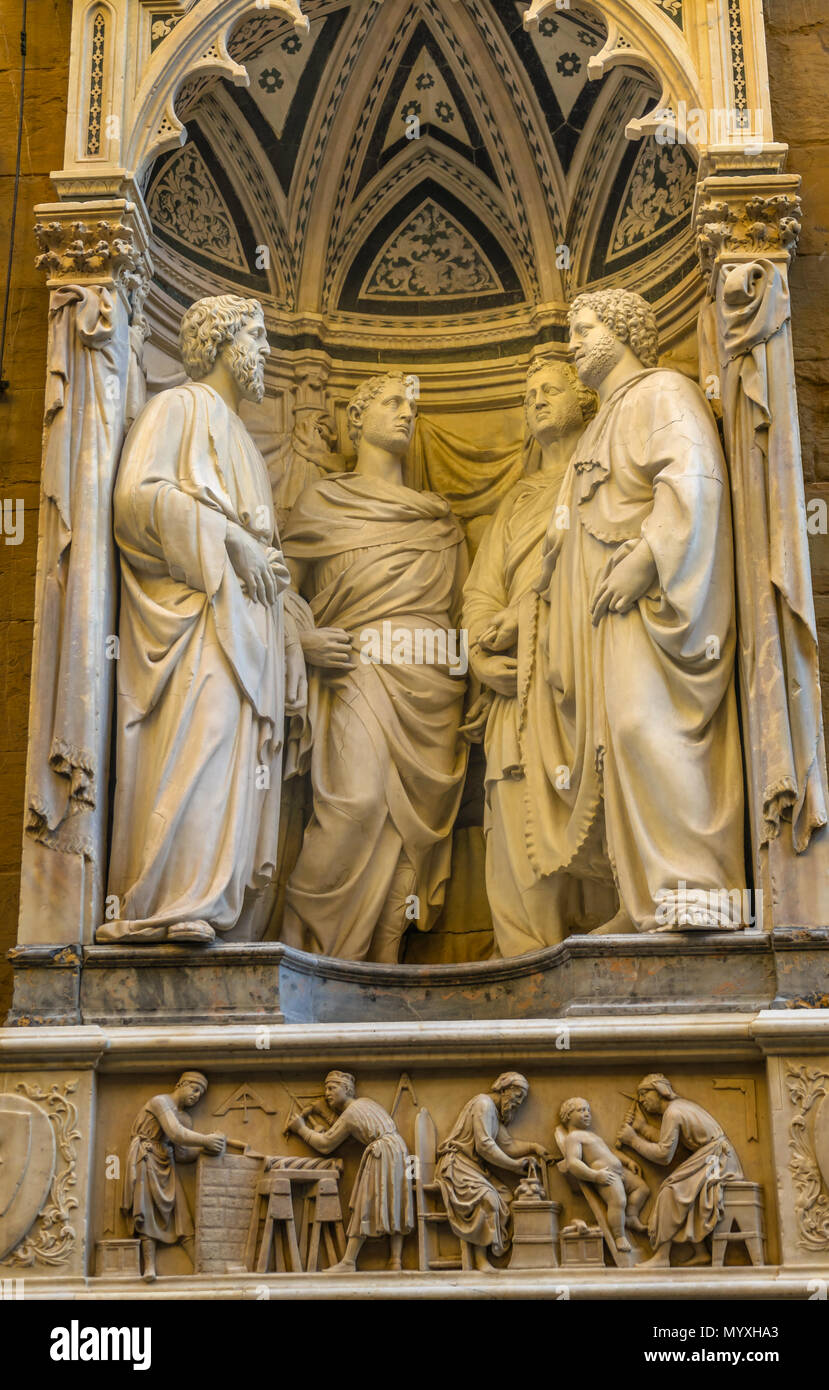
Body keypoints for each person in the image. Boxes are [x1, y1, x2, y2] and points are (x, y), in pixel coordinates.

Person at [532, 287, 746, 933]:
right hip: (605, 608)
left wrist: (649, 556)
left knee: (640, 726)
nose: (573, 343)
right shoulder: (599, 420)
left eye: (584, 327)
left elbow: (693, 479)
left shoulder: (662, 391)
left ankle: (694, 886)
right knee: (616, 742)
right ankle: (647, 896)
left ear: (622, 329)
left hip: (649, 600)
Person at [98, 294, 305, 945]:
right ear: (220, 341)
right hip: (196, 624)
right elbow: (136, 502)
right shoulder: (176, 408)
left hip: (247, 627)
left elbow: (262, 550)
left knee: (237, 761)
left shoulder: (241, 436)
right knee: (202, 741)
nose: (267, 353)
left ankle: (217, 906)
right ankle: (164, 901)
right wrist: (228, 540)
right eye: (258, 338)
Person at [280, 373, 469, 961]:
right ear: (355, 420)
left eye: (411, 405)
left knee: (413, 835)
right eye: (391, 402)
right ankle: (308, 953)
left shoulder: (439, 519)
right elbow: (277, 592)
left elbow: (464, 610)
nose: (406, 413)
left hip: (435, 684)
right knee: (357, 803)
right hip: (358, 668)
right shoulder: (323, 502)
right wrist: (303, 643)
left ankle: (382, 957)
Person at [462, 359, 616, 955]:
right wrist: (478, 654)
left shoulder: (602, 472)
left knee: (589, 792)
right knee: (514, 803)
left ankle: (598, 955)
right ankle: (526, 960)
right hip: (514, 687)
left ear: (583, 398)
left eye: (549, 390)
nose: (537, 401)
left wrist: (528, 620)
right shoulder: (518, 497)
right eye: (529, 395)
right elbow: (481, 590)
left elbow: (596, 564)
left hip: (580, 665)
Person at [285, 1070, 413, 1272]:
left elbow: (327, 1144)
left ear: (346, 1089)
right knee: (394, 1201)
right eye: (326, 1089)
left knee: (366, 1201)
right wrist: (321, 1114)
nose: (327, 1093)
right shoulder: (365, 1103)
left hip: (381, 1153)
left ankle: (349, 1261)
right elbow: (347, 1130)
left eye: (331, 1088)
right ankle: (395, 1260)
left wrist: (301, 1128)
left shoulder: (351, 1114)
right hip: (398, 1149)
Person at [616, 1074, 743, 1268]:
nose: (641, 1101)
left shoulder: (673, 1112)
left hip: (717, 1161)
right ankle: (701, 1252)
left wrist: (633, 1140)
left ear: (660, 1091)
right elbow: (671, 1141)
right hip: (714, 1157)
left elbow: (664, 1155)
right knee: (686, 1190)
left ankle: (662, 1257)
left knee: (670, 1191)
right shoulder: (680, 1107)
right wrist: (642, 1128)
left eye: (644, 1094)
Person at [435, 1072, 547, 1271]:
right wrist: (514, 1165)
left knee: (505, 1195)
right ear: (504, 1090)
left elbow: (508, 1144)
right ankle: (480, 1260)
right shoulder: (484, 1105)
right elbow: (485, 1146)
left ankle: (502, 1252)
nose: (519, 1102)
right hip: (456, 1165)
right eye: (518, 1095)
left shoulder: (494, 1113)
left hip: (473, 1167)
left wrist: (534, 1147)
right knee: (489, 1199)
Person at [122, 1072, 226, 1282]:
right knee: (147, 1211)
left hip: (167, 1163)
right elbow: (175, 1132)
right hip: (147, 1159)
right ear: (182, 1084)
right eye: (194, 1089)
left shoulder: (185, 1118)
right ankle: (149, 1267)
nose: (197, 1096)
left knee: (182, 1214)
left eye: (201, 1094)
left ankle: (200, 1265)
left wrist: (207, 1150)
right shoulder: (160, 1102)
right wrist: (206, 1140)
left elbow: (182, 1153)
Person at [556, 1096, 649, 1252]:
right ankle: (619, 1236)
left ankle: (631, 1217)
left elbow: (610, 1151)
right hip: (605, 1174)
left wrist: (627, 1162)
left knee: (642, 1189)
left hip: (620, 1171)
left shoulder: (592, 1135)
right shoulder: (574, 1137)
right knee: (618, 1201)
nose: (587, 1114)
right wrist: (595, 1176)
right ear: (568, 1115)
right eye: (581, 1110)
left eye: (588, 1110)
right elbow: (573, 1162)